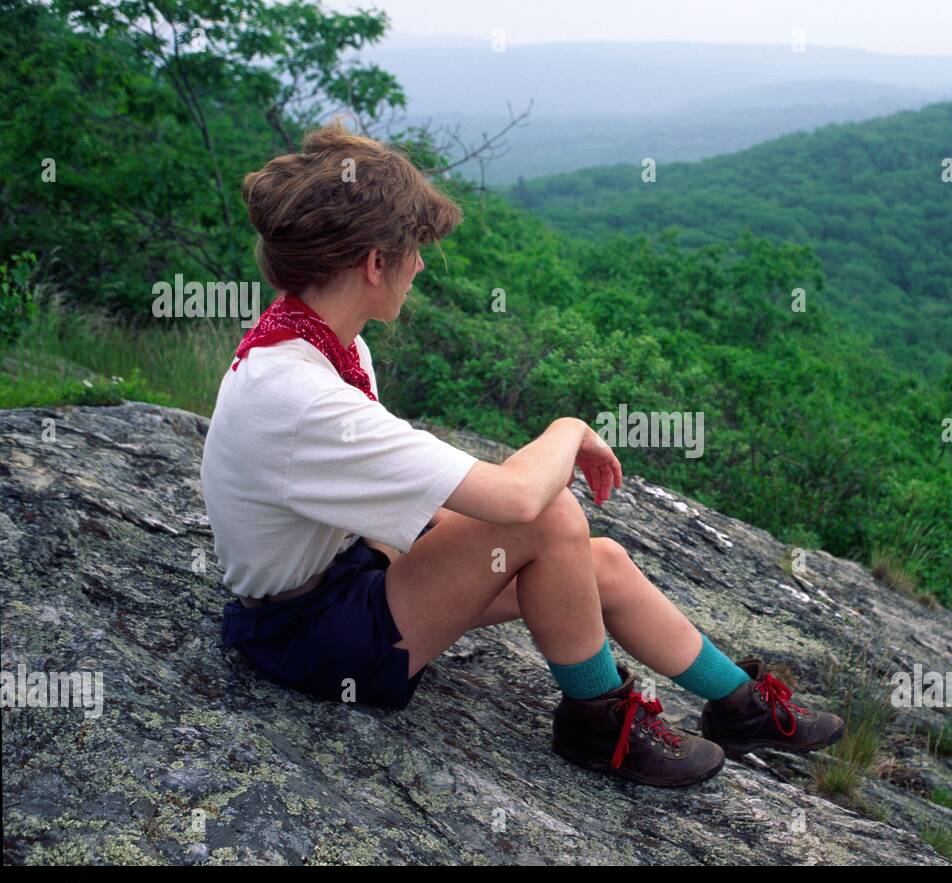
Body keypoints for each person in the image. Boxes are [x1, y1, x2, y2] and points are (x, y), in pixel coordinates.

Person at [200, 119, 844, 788]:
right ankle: (597, 721)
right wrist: (568, 426)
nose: (420, 266)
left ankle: (739, 704)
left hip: (344, 574)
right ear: (374, 264)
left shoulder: (325, 346)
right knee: (546, 517)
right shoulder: (302, 393)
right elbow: (516, 500)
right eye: (415, 250)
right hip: (308, 636)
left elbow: (404, 496)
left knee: (601, 561)